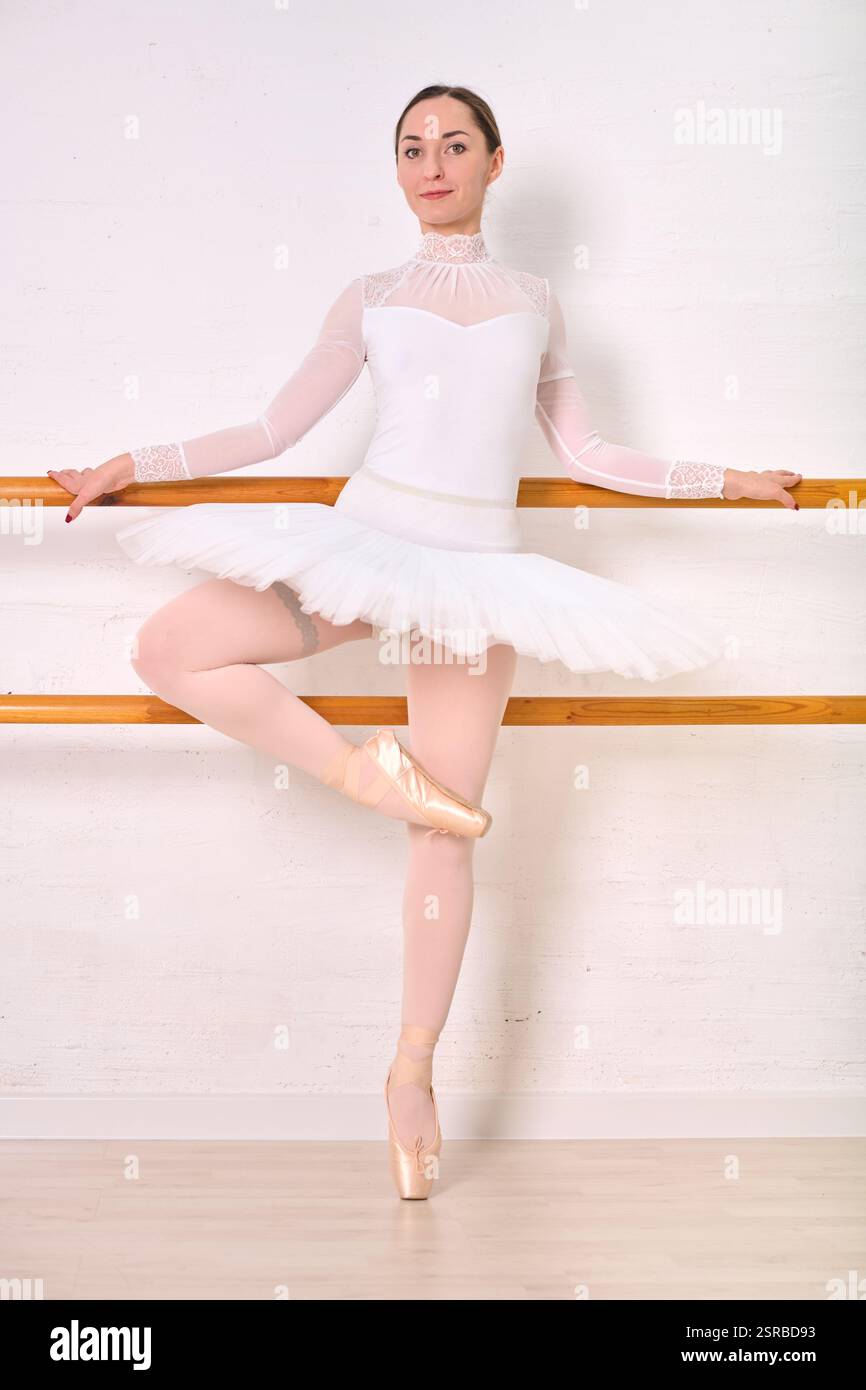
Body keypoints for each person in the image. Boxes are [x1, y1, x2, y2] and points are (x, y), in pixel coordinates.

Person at [47, 84, 802, 1200]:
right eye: (411, 148)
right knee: (170, 646)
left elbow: (587, 451)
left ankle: (409, 1073)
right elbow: (271, 429)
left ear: (495, 162)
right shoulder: (370, 295)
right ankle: (369, 776)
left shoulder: (535, 298)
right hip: (360, 547)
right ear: (394, 169)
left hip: (472, 584)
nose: (431, 163)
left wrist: (723, 478)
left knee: (446, 839)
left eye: (454, 145)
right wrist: (131, 461)